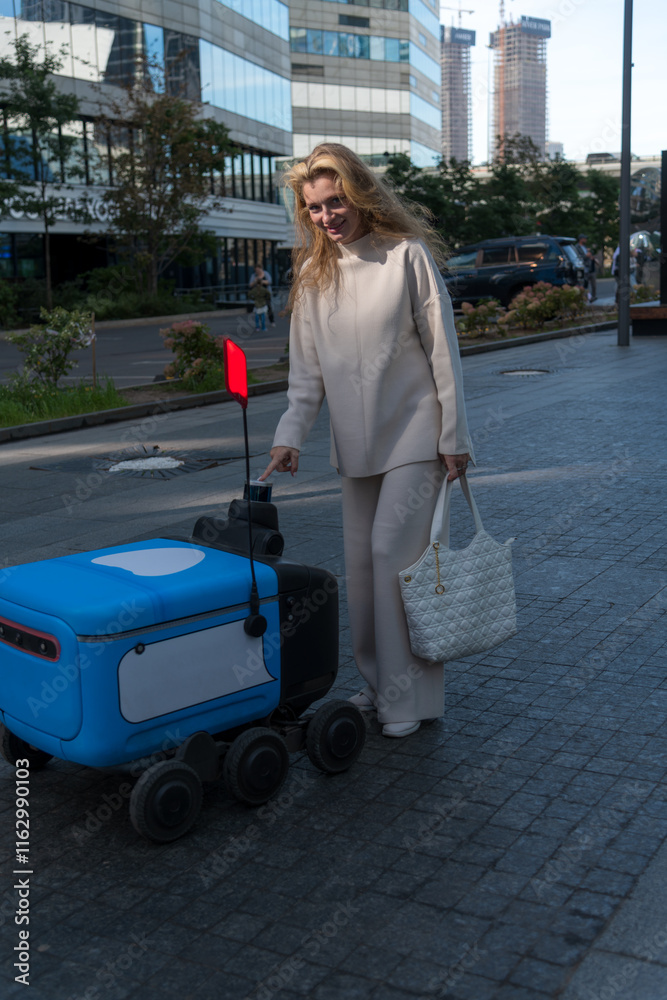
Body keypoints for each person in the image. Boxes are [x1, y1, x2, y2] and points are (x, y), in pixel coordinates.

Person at [259, 143, 475, 739]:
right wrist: (289, 437)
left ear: (359, 195)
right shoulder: (310, 275)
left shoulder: (406, 255)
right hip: (355, 447)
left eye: (336, 203)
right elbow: (306, 375)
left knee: (392, 558)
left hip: (417, 436)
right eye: (315, 209)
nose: (327, 217)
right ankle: (380, 686)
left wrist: (454, 436)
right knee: (362, 569)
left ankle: (408, 702)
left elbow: (443, 351)